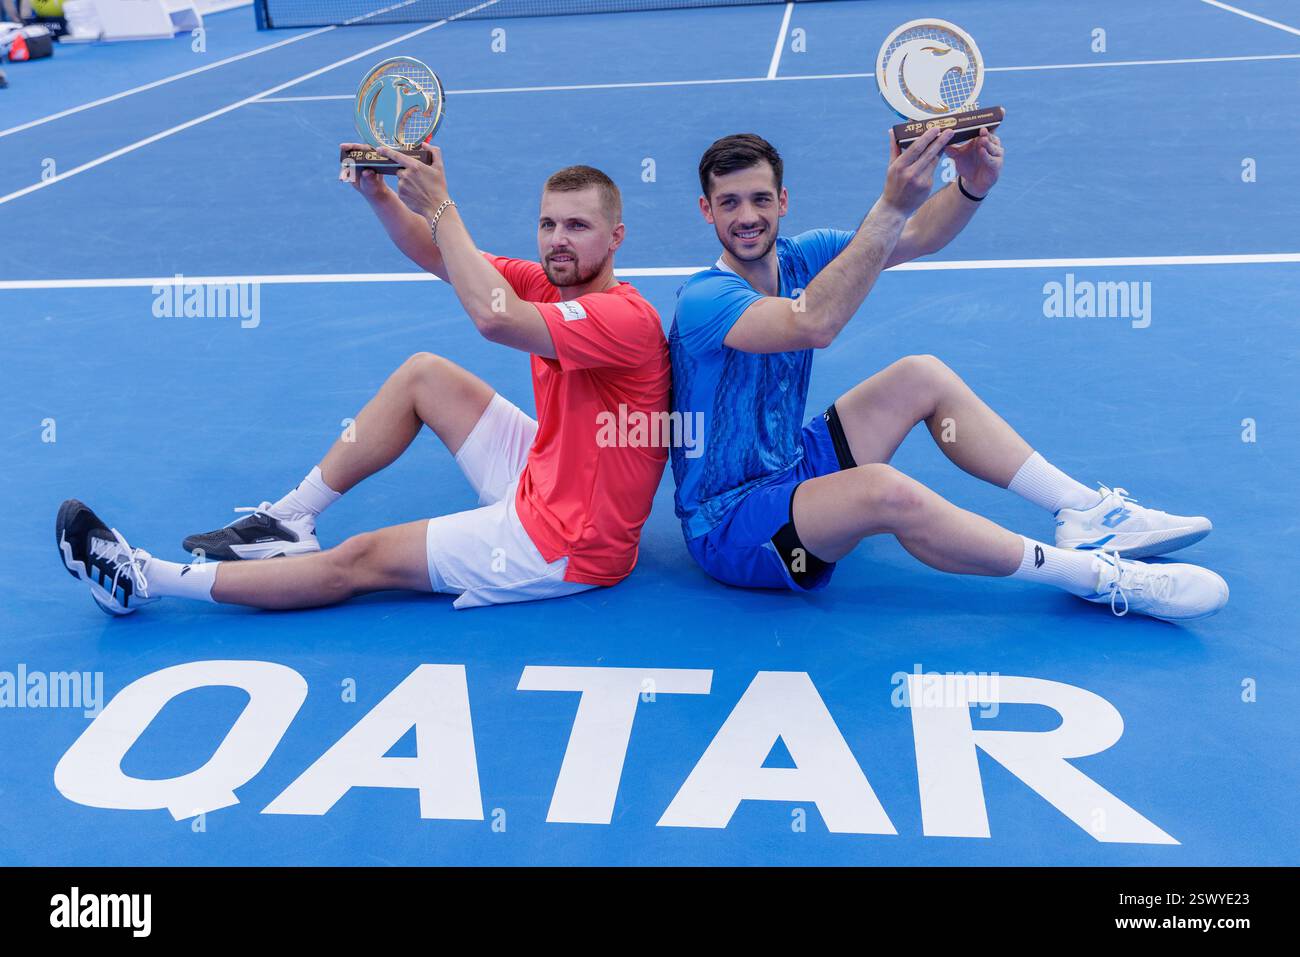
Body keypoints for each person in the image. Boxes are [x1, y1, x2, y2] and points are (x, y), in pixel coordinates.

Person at [56, 146, 670, 614]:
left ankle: (145, 578)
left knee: (359, 560)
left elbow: (493, 317)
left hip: (568, 542)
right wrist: (381, 196)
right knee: (425, 374)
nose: (557, 241)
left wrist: (443, 206)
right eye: (548, 224)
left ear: (616, 238)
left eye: (577, 227)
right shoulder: (546, 282)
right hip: (546, 472)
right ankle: (292, 520)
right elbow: (440, 256)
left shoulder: (625, 319)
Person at [668, 130, 1227, 622]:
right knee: (886, 492)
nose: (747, 216)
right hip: (732, 524)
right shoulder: (704, 298)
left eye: (761, 198)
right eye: (730, 202)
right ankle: (1097, 578)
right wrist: (889, 203)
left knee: (920, 375)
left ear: (783, 200)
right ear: (705, 210)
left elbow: (915, 237)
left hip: (792, 465)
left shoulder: (802, 257)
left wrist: (970, 186)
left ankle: (1086, 512)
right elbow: (814, 323)